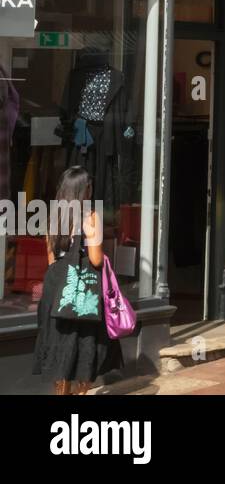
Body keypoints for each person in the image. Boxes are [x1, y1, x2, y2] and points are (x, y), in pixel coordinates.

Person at [33, 167, 122, 395]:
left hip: (55, 291)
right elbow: (95, 258)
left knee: (59, 346)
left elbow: (51, 259)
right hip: (82, 293)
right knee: (85, 347)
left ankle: (61, 392)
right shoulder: (91, 216)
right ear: (84, 190)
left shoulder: (53, 216)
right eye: (89, 186)